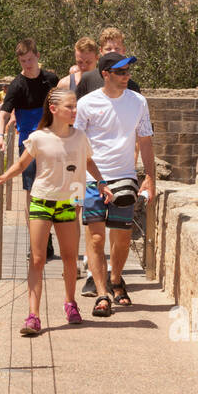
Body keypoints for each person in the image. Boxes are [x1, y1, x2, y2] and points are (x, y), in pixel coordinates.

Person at [0, 88, 106, 335]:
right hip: (42, 199)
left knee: (69, 258)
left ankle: (70, 303)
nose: (74, 112)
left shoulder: (80, 136)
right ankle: (33, 315)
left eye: (75, 107)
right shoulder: (38, 137)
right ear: (53, 109)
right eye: (70, 107)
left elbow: (87, 162)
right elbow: (23, 163)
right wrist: (4, 176)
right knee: (37, 258)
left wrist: (102, 183)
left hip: (70, 199)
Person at [76, 52, 157, 317]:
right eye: (121, 72)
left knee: (122, 240)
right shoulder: (87, 103)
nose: (126, 76)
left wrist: (150, 178)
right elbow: (76, 144)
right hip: (92, 179)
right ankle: (101, 294)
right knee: (96, 238)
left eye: (128, 71)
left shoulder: (138, 102)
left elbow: (145, 140)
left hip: (124, 178)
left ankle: (116, 279)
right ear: (106, 75)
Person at [0, 39, 60, 262]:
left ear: (37, 56)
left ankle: (49, 236)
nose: (27, 64)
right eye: (23, 61)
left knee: (55, 191)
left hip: (54, 141)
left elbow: (64, 104)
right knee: (32, 193)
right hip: (29, 145)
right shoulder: (17, 85)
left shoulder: (51, 79)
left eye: (30, 59)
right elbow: (3, 114)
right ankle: (37, 242)